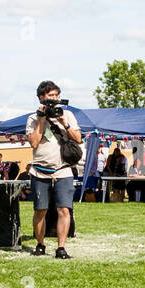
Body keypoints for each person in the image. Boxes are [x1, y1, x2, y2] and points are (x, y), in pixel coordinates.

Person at [25, 81, 81, 258]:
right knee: (40, 210)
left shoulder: (68, 114)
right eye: (51, 96)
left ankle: (61, 248)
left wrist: (65, 123)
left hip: (63, 169)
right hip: (40, 171)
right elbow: (34, 142)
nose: (54, 99)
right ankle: (40, 244)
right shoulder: (33, 119)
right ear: (41, 97)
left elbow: (78, 139)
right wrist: (42, 119)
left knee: (64, 209)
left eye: (57, 95)